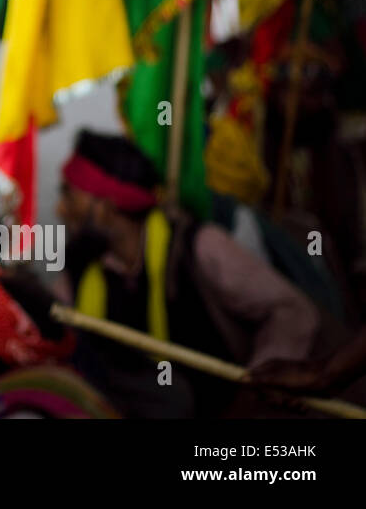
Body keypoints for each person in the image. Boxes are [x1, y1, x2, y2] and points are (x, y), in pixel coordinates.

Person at [58, 129, 321, 417]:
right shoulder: (80, 267)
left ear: (106, 206)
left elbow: (292, 311)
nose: (60, 210)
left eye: (70, 195)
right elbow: (56, 326)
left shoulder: (200, 246)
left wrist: (257, 390)